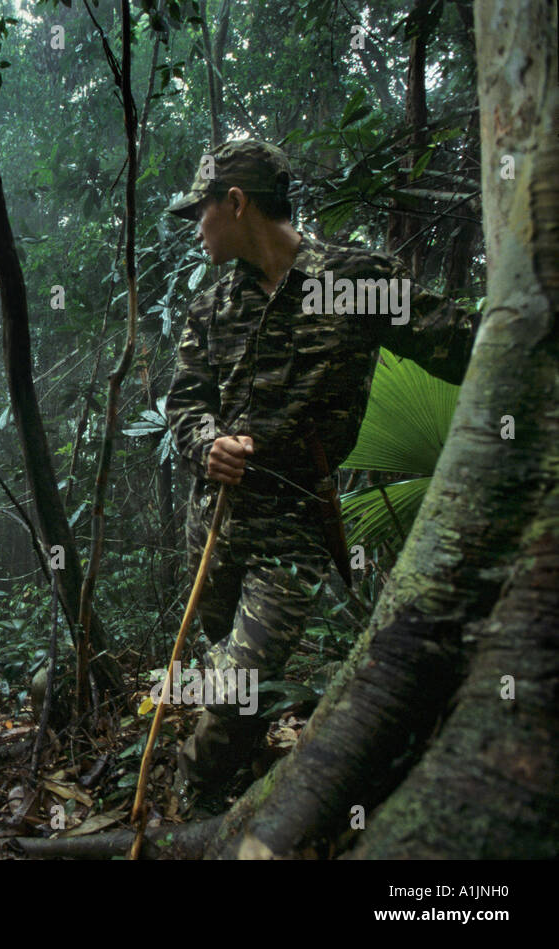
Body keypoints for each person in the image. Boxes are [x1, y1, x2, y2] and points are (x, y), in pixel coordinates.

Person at [163, 139, 477, 815]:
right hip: (215, 525)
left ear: (237, 203)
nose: (197, 227)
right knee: (225, 673)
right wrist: (205, 441)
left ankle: (186, 811)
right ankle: (234, 782)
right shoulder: (213, 306)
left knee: (235, 682)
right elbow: (185, 401)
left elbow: (465, 345)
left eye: (202, 211)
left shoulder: (353, 279)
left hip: (295, 529)